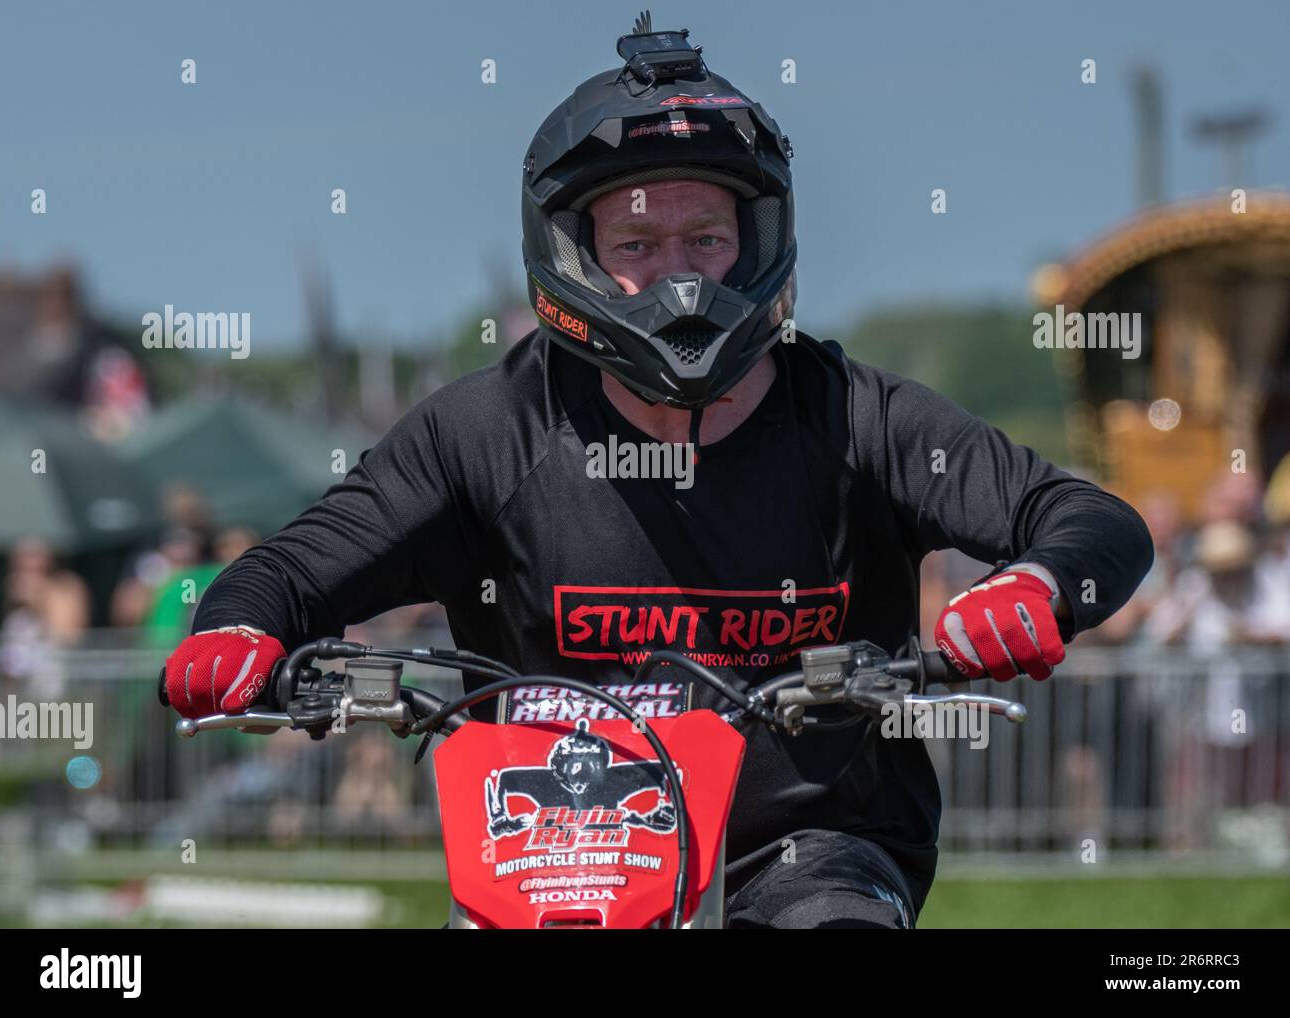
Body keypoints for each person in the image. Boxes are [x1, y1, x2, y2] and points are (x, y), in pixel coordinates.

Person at [162, 16, 1152, 928]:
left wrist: (1039, 582)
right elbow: (284, 571)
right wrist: (236, 630)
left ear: (755, 241)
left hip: (812, 851)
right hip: (557, 853)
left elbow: (1092, 522)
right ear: (575, 254)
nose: (678, 277)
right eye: (636, 243)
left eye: (705, 239)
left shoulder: (859, 415)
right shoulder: (483, 432)